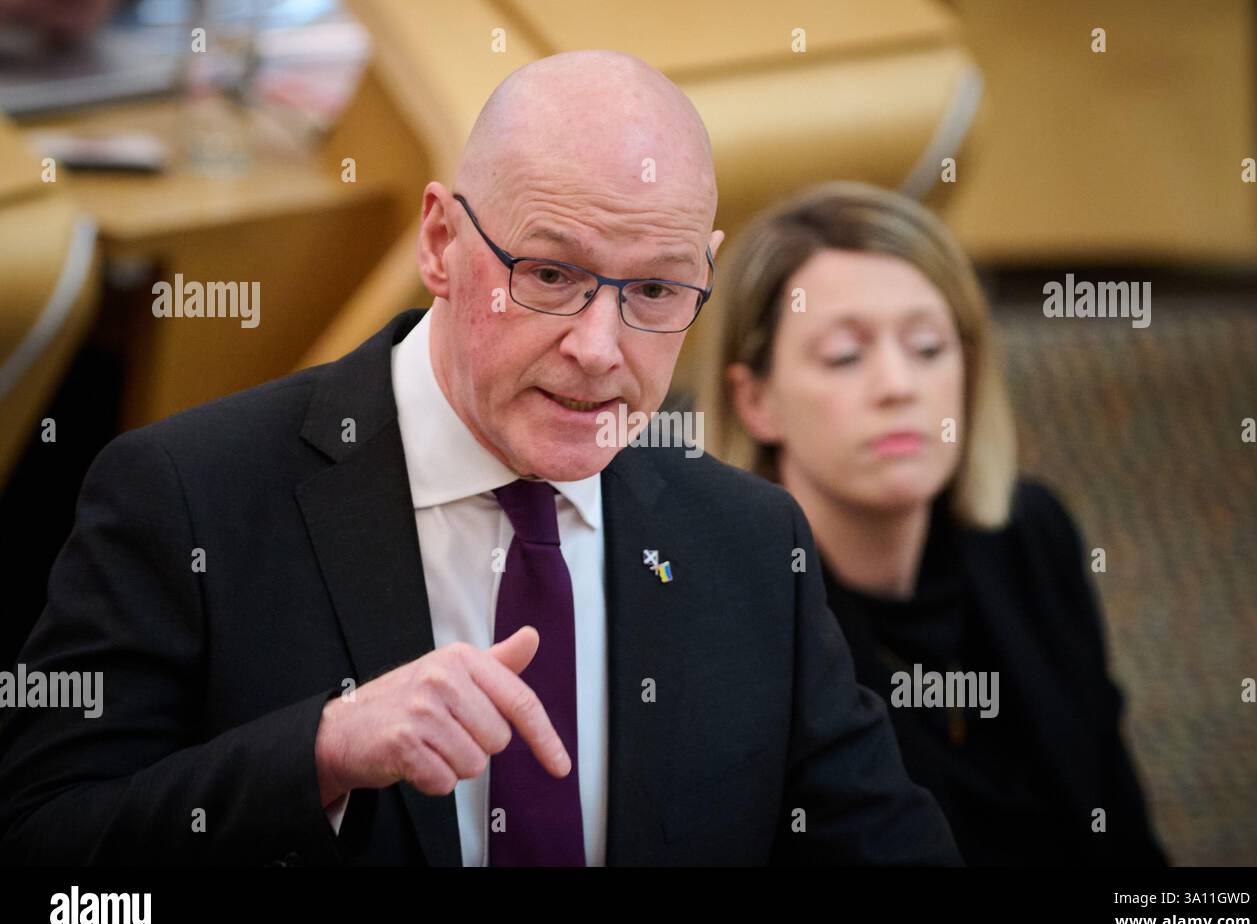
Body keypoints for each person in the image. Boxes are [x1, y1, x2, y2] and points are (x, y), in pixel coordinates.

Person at [0, 53, 960, 867]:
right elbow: (49, 861)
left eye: (659, 290)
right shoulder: (187, 496)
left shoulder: (748, 541)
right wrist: (320, 752)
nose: (599, 346)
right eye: (550, 275)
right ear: (441, 240)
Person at [699, 181, 1166, 865]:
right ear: (756, 400)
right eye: (845, 356)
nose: (898, 385)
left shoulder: (1031, 540)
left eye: (926, 346)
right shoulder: (731, 617)